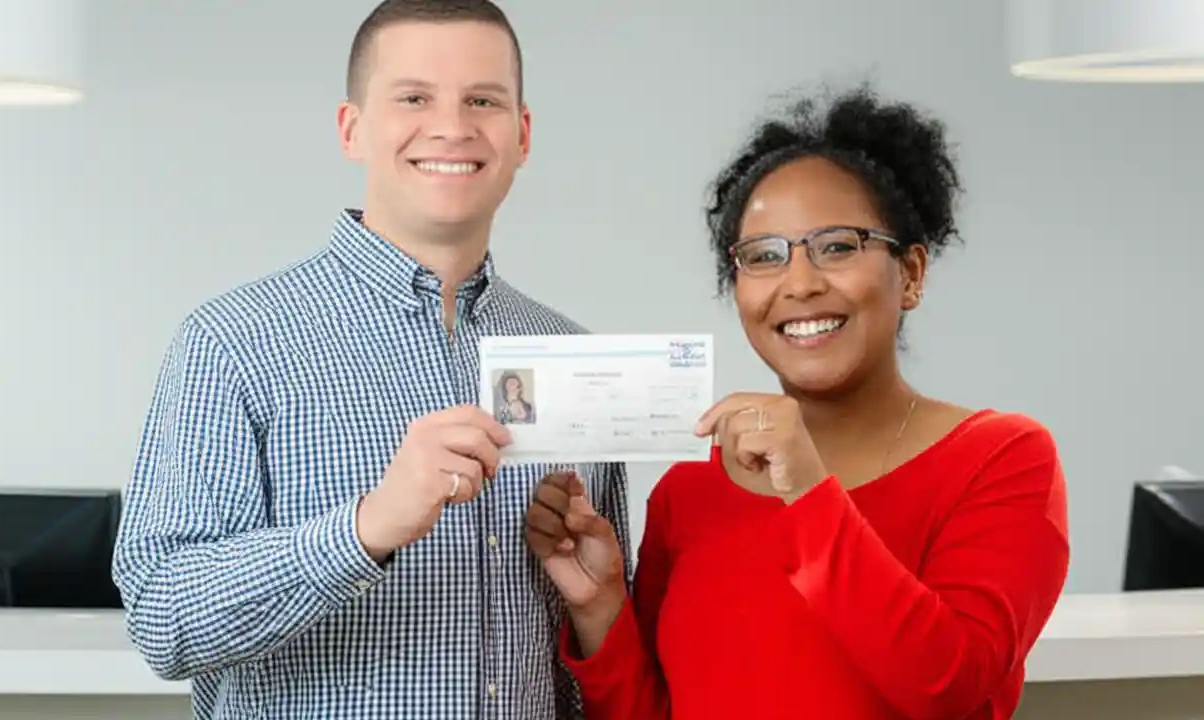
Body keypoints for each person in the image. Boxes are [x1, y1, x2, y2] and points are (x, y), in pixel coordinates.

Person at [111, 1, 630, 718]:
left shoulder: (573, 355)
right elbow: (161, 618)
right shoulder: (233, 342)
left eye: (483, 99)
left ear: (522, 134)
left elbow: (589, 670)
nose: (452, 125)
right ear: (352, 129)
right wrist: (368, 526)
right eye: (414, 97)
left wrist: (601, 605)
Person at [525, 85, 1070, 719]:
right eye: (764, 257)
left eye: (838, 246)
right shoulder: (686, 494)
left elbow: (945, 685)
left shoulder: (1001, 457)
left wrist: (809, 491)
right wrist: (600, 608)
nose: (800, 283)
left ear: (912, 274)